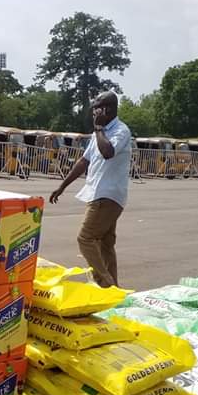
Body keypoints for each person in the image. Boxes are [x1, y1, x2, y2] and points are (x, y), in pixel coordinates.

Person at [48, 91, 132, 287]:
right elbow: (84, 161)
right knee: (105, 243)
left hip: (108, 195)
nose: (94, 111)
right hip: (98, 193)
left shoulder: (121, 130)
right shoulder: (98, 134)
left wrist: (100, 129)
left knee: (85, 238)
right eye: (94, 108)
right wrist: (62, 186)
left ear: (109, 109)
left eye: (98, 107)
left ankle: (106, 283)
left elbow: (108, 152)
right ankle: (114, 288)